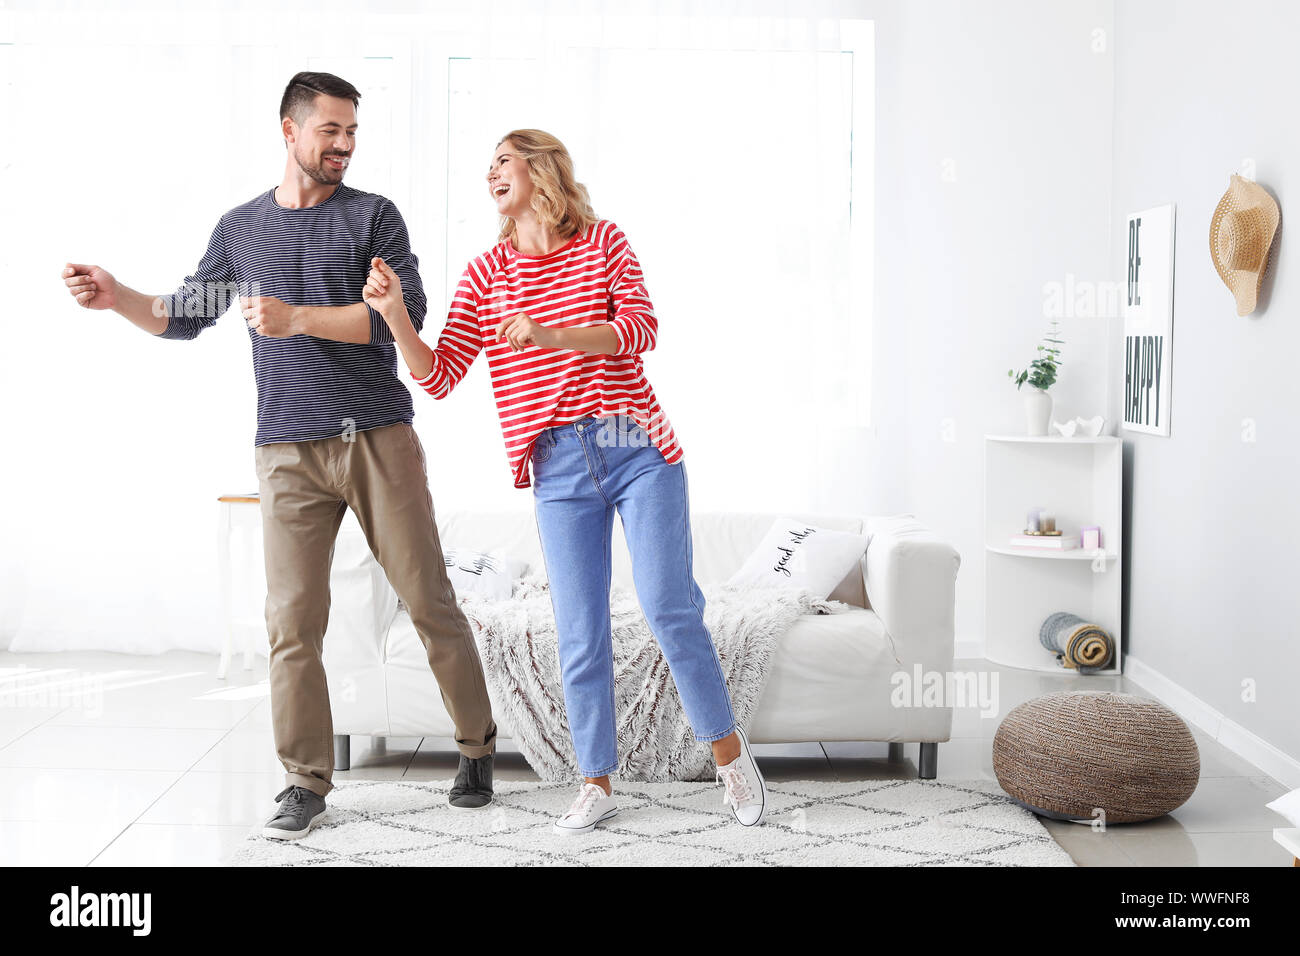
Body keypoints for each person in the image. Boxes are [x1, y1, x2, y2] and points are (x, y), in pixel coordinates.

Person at [61, 72, 498, 840]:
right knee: (292, 621)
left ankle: (475, 745)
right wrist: (117, 293)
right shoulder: (240, 229)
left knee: (428, 599)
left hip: (378, 441)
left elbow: (403, 318)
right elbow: (187, 314)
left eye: (352, 132)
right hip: (286, 452)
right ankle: (304, 780)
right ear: (289, 130)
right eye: (330, 130)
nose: (344, 145)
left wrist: (298, 318)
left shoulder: (373, 216)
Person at [362, 128, 768, 833]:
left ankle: (731, 757)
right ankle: (596, 781)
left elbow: (640, 330)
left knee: (668, 604)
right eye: (486, 165)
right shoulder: (486, 274)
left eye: (503, 161)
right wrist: (395, 312)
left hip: (634, 443)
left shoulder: (604, 241)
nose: (490, 173)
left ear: (540, 170)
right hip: (555, 464)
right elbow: (440, 374)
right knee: (578, 631)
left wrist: (552, 333)